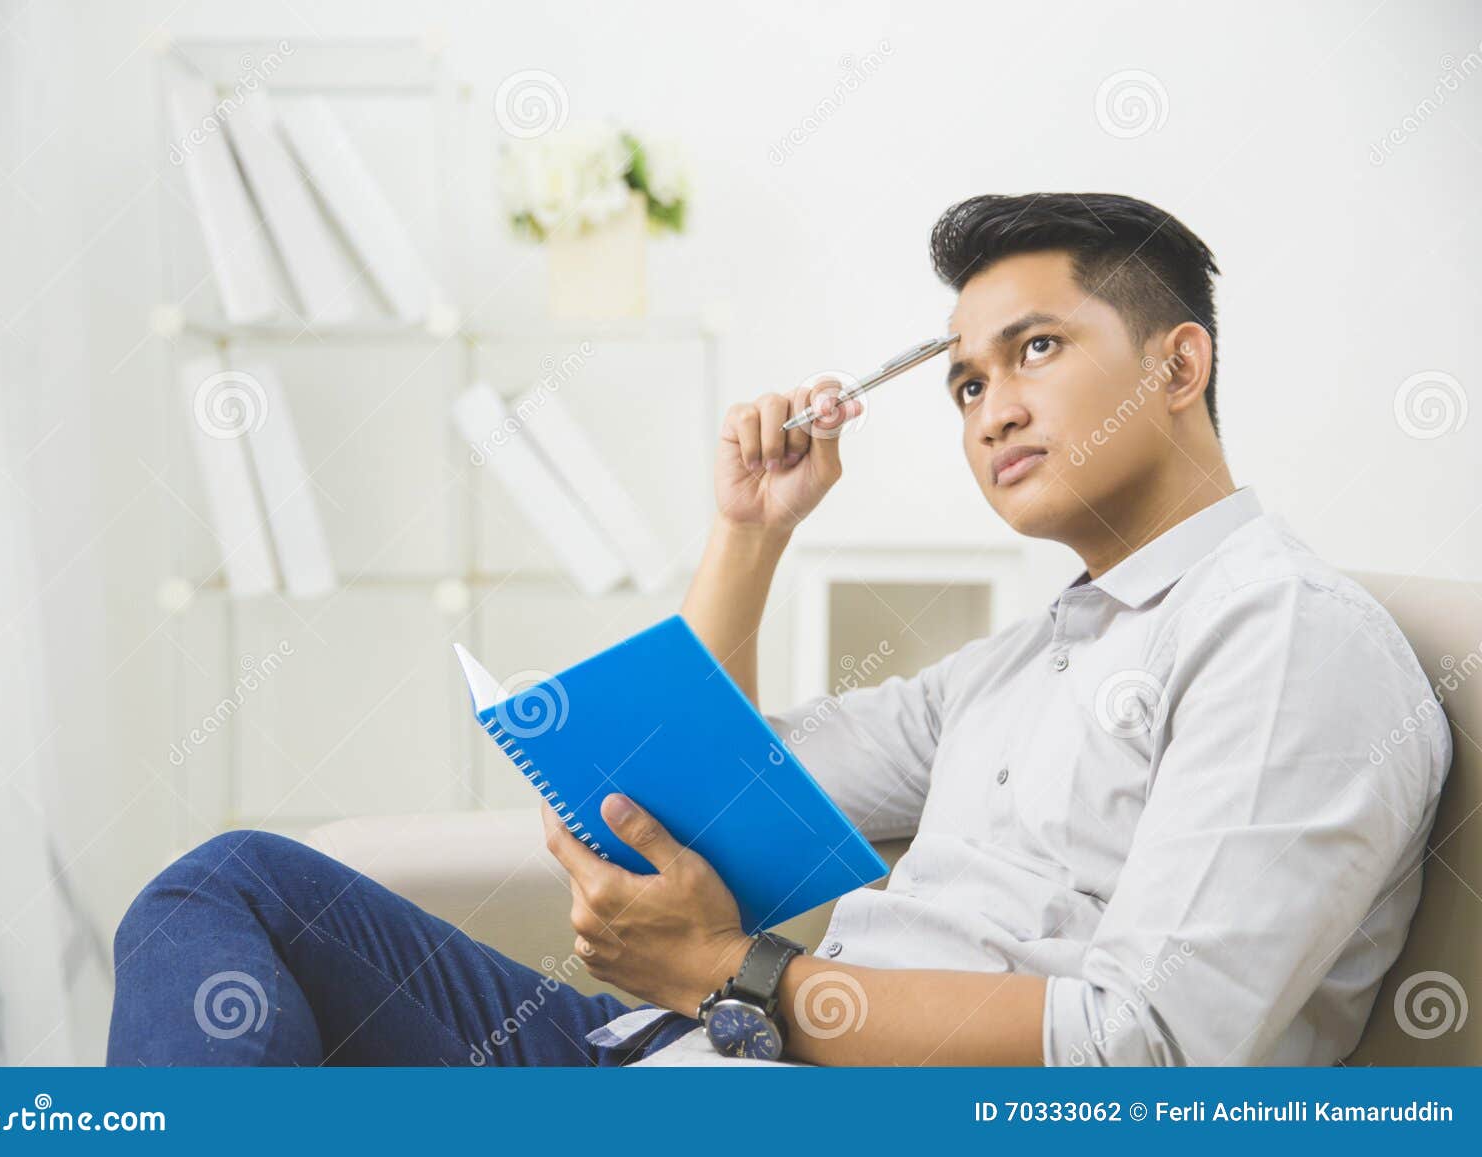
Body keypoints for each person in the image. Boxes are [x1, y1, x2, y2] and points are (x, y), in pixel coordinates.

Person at [108, 192, 1450, 1067]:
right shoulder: (1034, 654)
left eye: (1035, 348)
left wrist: (729, 972)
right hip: (665, 1057)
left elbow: (1147, 1047)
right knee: (228, 886)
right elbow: (704, 785)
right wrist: (752, 531)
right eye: (967, 378)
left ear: (1178, 363)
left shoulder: (1284, 640)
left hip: (783, 1083)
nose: (988, 405)